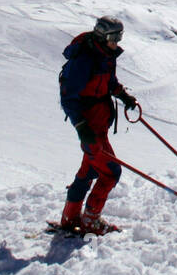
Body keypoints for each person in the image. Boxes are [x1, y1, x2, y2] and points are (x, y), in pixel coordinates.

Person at [58, 16, 137, 233]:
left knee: (88, 172)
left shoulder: (105, 55)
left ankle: (70, 217)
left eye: (119, 37)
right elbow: (68, 96)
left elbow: (108, 82)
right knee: (111, 172)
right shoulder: (85, 59)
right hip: (90, 128)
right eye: (113, 37)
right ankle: (90, 220)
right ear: (102, 36)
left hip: (99, 123)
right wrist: (81, 127)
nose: (117, 42)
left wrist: (123, 96)